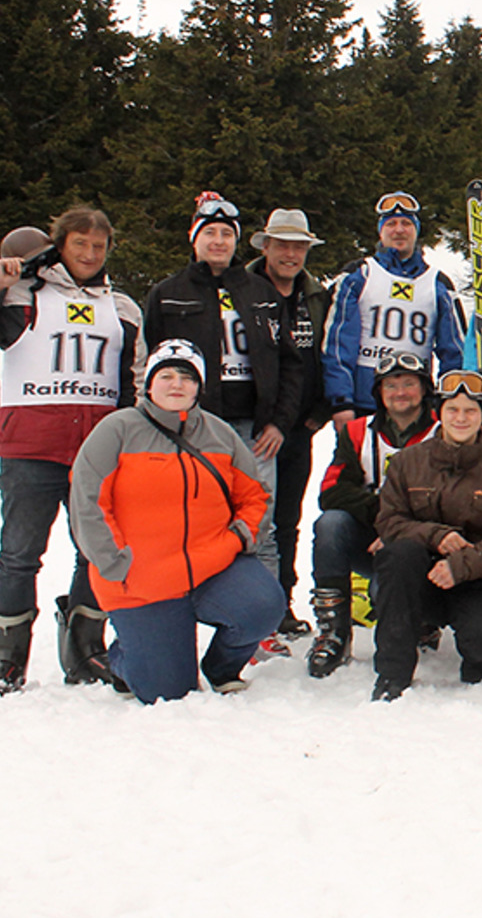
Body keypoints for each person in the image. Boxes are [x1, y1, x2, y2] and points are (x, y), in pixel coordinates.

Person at [0, 208, 145, 692]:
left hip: (96, 452)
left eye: (99, 247)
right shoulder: (20, 295)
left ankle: (85, 649)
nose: (90, 255)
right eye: (80, 245)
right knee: (18, 555)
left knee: (97, 553)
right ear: (60, 246)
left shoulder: (123, 308)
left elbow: (133, 382)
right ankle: (7, 658)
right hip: (31, 447)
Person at [68, 341, 282, 703]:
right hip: (142, 577)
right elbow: (88, 503)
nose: (176, 384)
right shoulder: (116, 429)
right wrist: (115, 563)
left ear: (199, 386)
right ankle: (128, 654)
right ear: (149, 384)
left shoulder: (220, 433)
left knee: (264, 606)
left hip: (212, 565)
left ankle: (222, 668)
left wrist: (238, 539)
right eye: (165, 375)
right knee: (168, 692)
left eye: (187, 377)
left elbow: (255, 495)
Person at [142, 192, 304, 606]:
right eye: (210, 233)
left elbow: (290, 363)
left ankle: (261, 616)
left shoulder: (261, 292)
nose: (218, 242)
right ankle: (187, 605)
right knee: (194, 522)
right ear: (195, 239)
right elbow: (149, 366)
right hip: (194, 427)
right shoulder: (167, 293)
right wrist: (163, 423)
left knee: (258, 523)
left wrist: (279, 423)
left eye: (226, 234)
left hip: (255, 426)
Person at [368, 370, 482, 701]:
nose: (461, 418)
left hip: (478, 578)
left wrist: (461, 565)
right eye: (452, 410)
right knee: (398, 557)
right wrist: (435, 536)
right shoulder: (407, 463)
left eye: (470, 410)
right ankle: (392, 673)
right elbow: (389, 521)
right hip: (420, 577)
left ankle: (477, 657)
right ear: (438, 413)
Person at [304, 351, 438, 677]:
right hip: (371, 535)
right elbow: (331, 491)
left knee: (387, 588)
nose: (400, 392)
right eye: (391, 386)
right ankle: (334, 631)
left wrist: (398, 525)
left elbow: (450, 502)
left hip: (420, 545)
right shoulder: (357, 431)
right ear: (378, 392)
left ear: (424, 389)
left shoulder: (442, 431)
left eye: (409, 384)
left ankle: (424, 619)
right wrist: (383, 514)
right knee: (331, 524)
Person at [246, 208, 334, 638]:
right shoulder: (242, 289)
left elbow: (326, 355)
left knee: (286, 519)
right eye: (282, 245)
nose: (291, 254)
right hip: (250, 424)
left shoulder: (317, 295)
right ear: (265, 247)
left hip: (299, 425)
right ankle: (248, 606)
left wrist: (319, 414)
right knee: (249, 517)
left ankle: (280, 604)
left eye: (299, 246)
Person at [323, 190, 468, 425]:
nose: (399, 230)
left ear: (416, 229)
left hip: (416, 402)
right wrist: (341, 401)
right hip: (365, 401)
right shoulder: (359, 275)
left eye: (406, 224)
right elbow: (339, 345)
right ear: (380, 230)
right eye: (391, 224)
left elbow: (454, 351)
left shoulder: (438, 283)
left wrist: (449, 399)